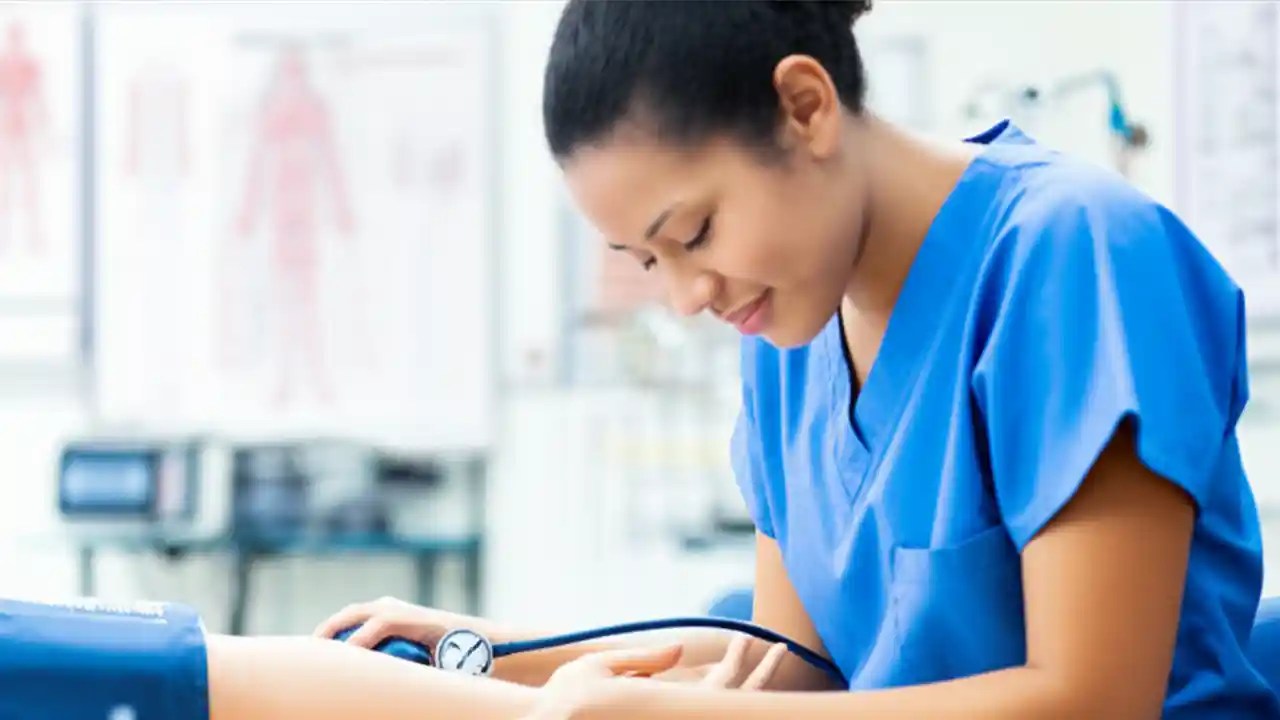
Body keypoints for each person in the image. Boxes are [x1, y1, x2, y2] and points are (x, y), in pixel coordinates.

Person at [315, 0, 1280, 717]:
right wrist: (488, 653)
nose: (689, 295)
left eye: (694, 231)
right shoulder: (788, 333)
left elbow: (1092, 699)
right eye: (650, 262)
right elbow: (791, 666)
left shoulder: (1073, 256)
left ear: (805, 105)